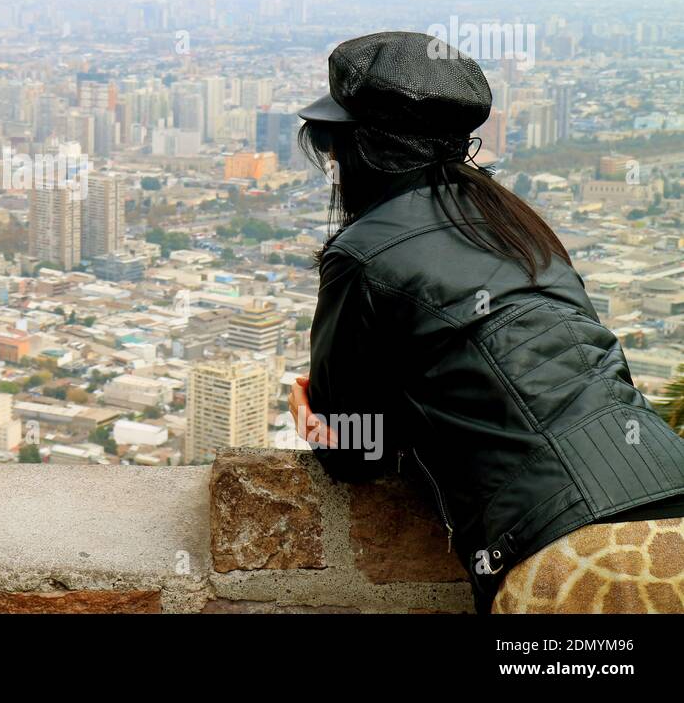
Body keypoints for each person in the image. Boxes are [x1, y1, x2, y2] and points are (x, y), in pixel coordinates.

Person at [289, 31, 684, 614]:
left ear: (357, 150)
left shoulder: (363, 253)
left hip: (573, 551)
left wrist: (317, 425)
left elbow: (357, 453)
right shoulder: (518, 226)